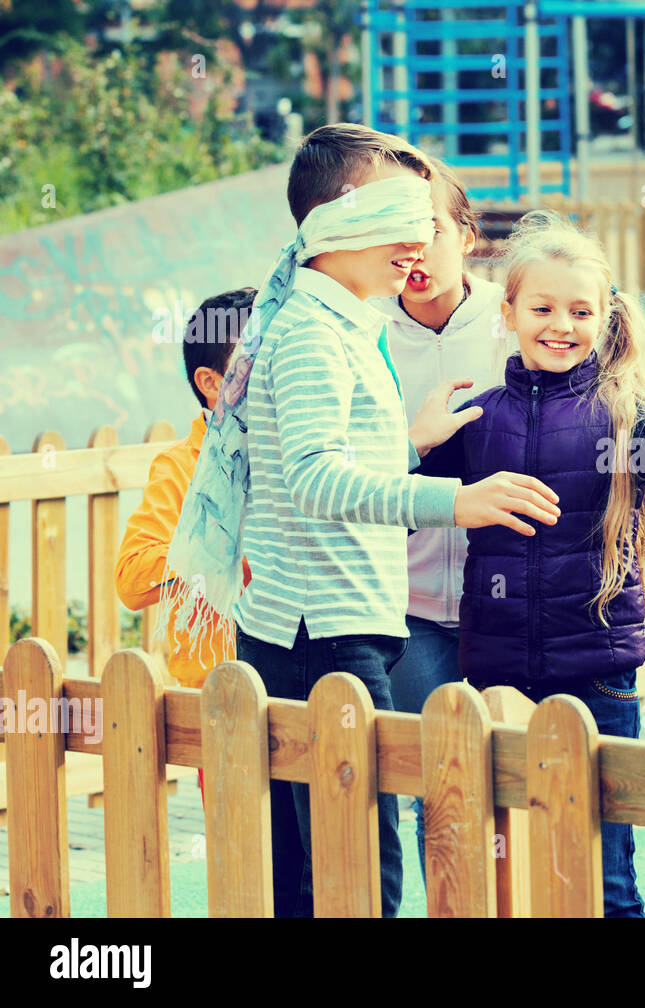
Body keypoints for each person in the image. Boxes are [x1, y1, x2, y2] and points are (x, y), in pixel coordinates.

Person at [158, 124, 561, 918]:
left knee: (313, 869)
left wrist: (408, 442)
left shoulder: (338, 324)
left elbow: (317, 464)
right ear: (340, 221)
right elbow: (315, 479)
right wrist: (455, 501)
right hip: (324, 632)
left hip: (320, 622)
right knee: (355, 875)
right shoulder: (313, 334)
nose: (419, 240)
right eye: (402, 214)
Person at [414, 209, 645, 917]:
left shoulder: (622, 417)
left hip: (599, 670)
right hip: (497, 667)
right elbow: (402, 497)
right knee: (502, 850)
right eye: (542, 308)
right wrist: (416, 444)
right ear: (506, 313)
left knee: (606, 867)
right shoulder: (478, 421)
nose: (561, 325)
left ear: (605, 320)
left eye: (581, 311)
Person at [376, 158, 511, 884]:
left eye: (430, 228)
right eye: (398, 232)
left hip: (515, 599)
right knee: (444, 785)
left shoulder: (518, 319)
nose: (416, 251)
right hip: (409, 604)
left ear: (465, 233)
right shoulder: (360, 338)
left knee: (526, 784)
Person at [116, 288, 256, 803]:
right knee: (238, 852)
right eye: (257, 359)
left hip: (310, 679)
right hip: (220, 696)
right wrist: (219, 555)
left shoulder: (302, 454)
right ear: (212, 383)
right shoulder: (180, 468)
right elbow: (132, 577)